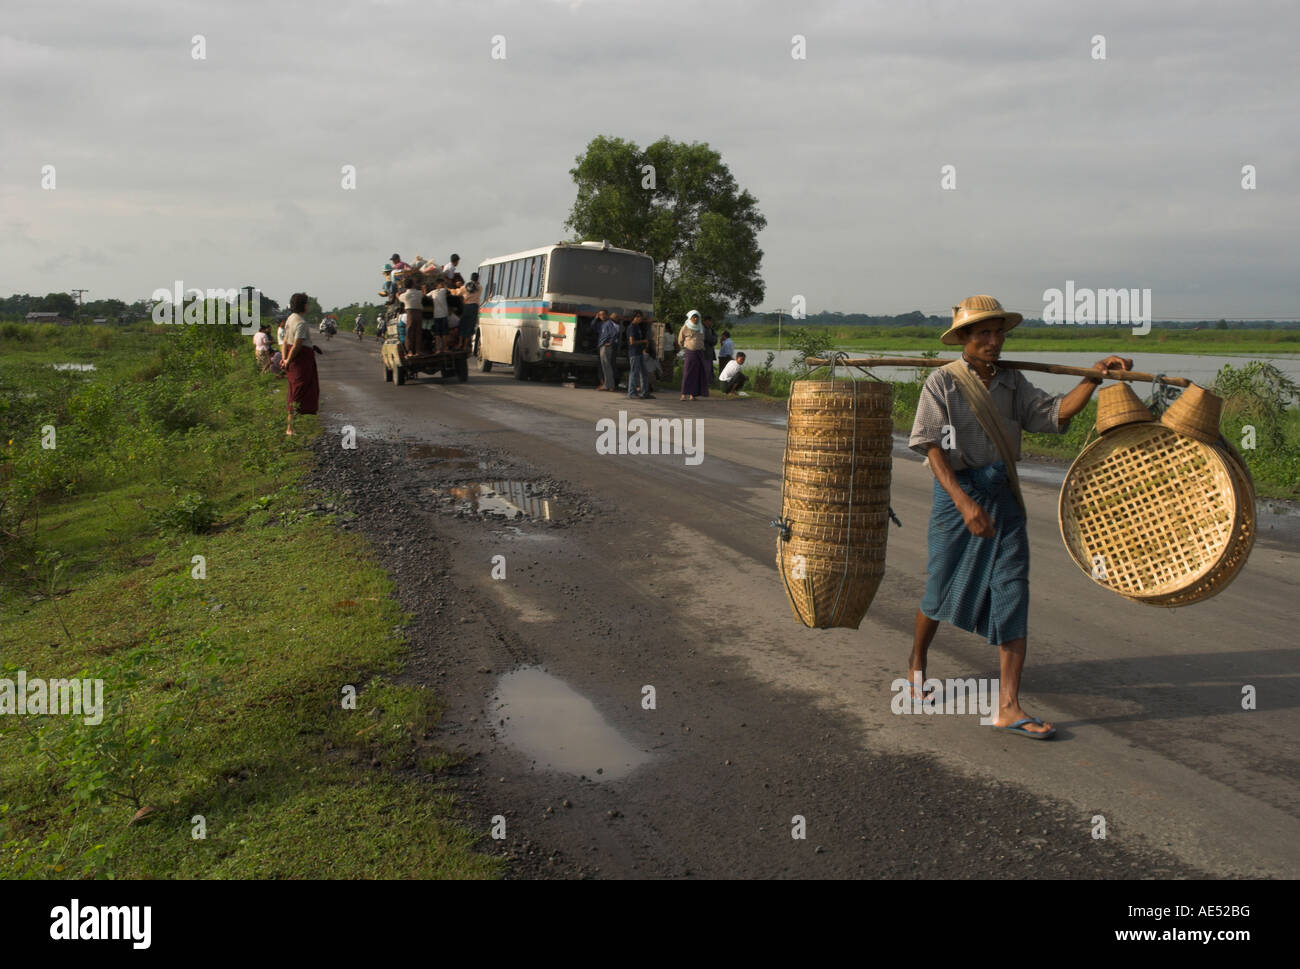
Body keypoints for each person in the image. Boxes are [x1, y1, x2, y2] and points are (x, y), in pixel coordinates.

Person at [907, 295, 1131, 740]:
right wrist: (964, 503)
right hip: (960, 493)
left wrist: (1093, 377)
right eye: (983, 334)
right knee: (940, 584)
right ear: (965, 340)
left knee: (1013, 589)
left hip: (1003, 496)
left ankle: (1008, 706)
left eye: (999, 333)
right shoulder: (943, 383)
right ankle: (917, 662)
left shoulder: (1012, 382)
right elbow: (931, 447)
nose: (994, 342)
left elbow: (1052, 415)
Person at [280, 293, 320, 436]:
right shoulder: (300, 322)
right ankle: (290, 428)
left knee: (295, 389)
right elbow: (297, 345)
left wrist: (284, 358)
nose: (308, 306)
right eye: (307, 303)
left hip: (293, 358)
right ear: (303, 305)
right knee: (298, 391)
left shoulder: (290, 319)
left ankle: (292, 426)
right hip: (300, 359)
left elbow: (285, 341)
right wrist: (288, 360)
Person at [676, 310, 709, 400]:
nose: (695, 319)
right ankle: (683, 394)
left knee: (697, 373)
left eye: (697, 317)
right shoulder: (685, 327)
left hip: (700, 352)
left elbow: (703, 339)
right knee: (688, 373)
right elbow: (680, 340)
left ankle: (692, 395)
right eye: (693, 317)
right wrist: (686, 346)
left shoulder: (701, 327)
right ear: (690, 318)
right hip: (690, 352)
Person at [625, 311, 654, 399]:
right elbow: (632, 342)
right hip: (634, 353)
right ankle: (632, 393)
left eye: (640, 316)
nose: (640, 318)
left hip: (639, 352)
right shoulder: (632, 327)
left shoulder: (637, 327)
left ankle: (645, 392)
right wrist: (643, 341)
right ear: (633, 317)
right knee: (634, 373)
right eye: (637, 316)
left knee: (644, 373)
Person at [596, 309, 619, 391]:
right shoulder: (604, 324)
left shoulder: (608, 323)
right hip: (602, 346)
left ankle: (608, 385)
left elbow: (614, 333)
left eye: (603, 314)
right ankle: (609, 385)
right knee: (605, 367)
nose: (601, 316)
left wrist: (610, 342)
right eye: (600, 314)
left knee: (607, 366)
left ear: (607, 315)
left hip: (606, 347)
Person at [401, 280, 424, 356]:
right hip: (419, 314)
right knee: (418, 332)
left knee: (409, 333)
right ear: (413, 284)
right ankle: (418, 351)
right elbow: (424, 295)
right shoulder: (419, 293)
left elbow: (400, 298)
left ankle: (410, 351)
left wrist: (397, 295)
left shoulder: (404, 295)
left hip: (410, 314)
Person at [429, 278, 451, 353]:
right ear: (439, 284)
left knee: (437, 334)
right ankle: (444, 348)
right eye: (442, 284)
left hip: (437, 316)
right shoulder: (443, 290)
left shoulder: (432, 292)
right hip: (443, 315)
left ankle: (438, 349)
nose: (443, 285)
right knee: (444, 333)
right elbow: (449, 290)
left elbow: (424, 296)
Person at [702, 315, 718, 384]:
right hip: (705, 353)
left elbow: (715, 339)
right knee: (706, 369)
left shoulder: (710, 329)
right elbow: (709, 339)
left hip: (709, 353)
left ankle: (708, 382)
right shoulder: (703, 329)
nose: (711, 323)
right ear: (706, 321)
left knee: (709, 369)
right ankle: (704, 382)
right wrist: (714, 338)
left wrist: (714, 338)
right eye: (710, 321)